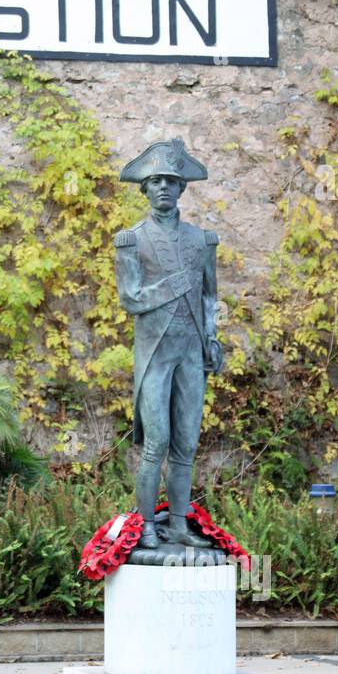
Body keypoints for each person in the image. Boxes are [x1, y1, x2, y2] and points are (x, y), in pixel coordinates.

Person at [114, 138, 224, 550]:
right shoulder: (131, 240)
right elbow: (131, 298)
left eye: (171, 181)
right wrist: (173, 286)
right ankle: (144, 527)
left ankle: (178, 525)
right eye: (155, 181)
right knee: (156, 443)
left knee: (186, 445)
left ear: (182, 189)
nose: (163, 187)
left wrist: (212, 337)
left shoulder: (202, 240)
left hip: (191, 354)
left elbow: (210, 295)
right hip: (155, 356)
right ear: (144, 188)